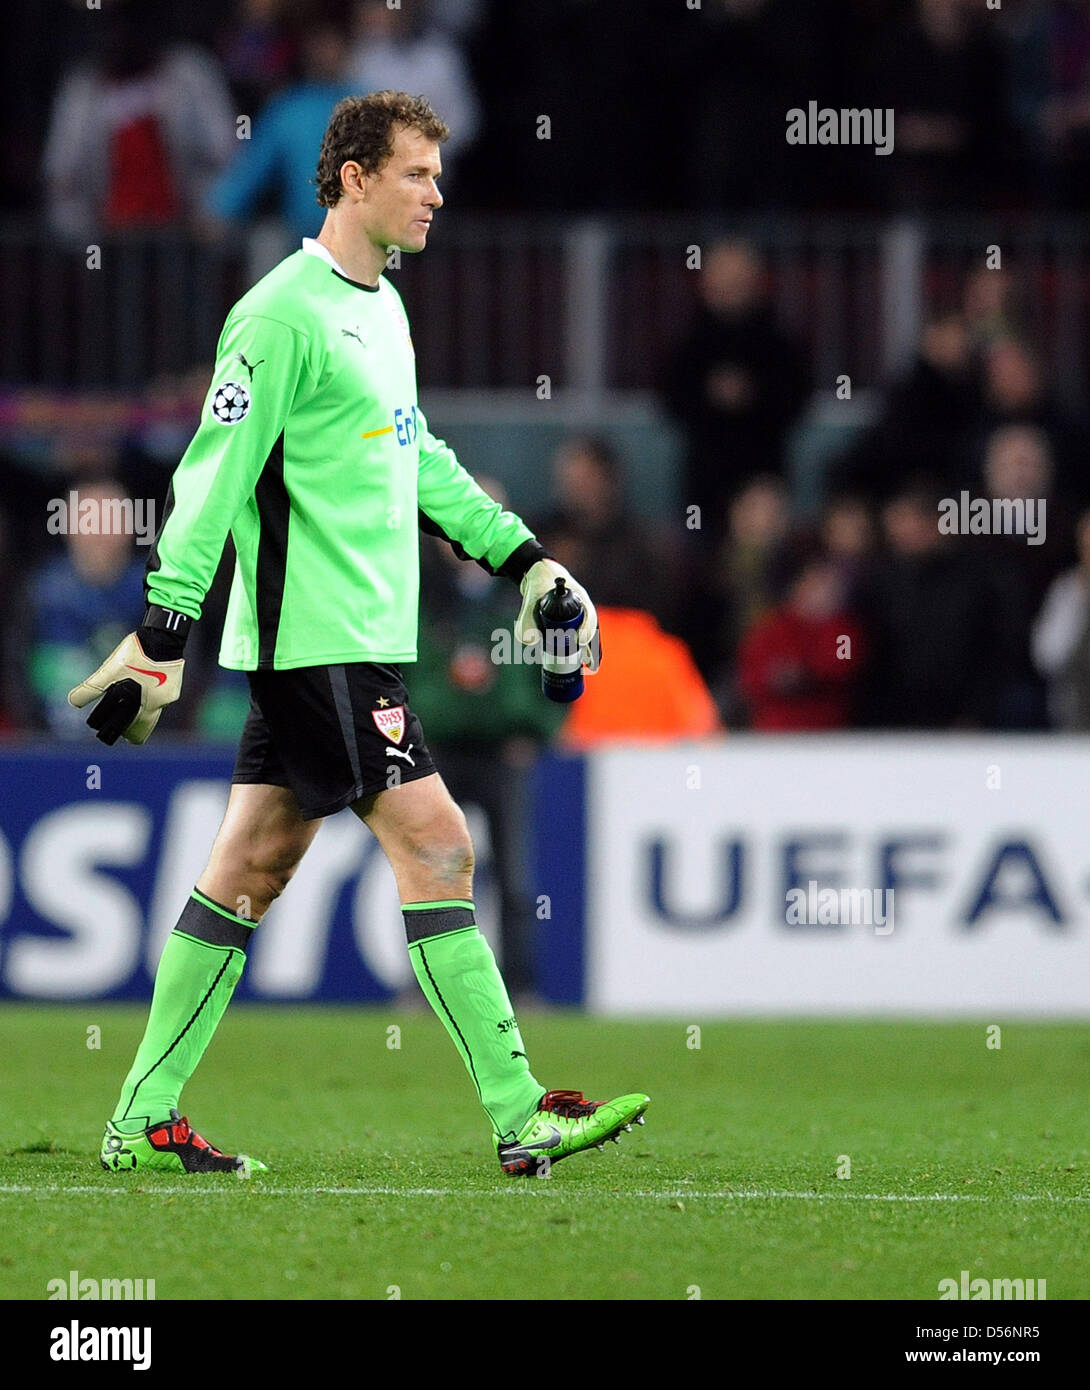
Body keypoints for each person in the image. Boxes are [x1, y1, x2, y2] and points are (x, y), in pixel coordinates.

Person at [70, 91, 648, 1179]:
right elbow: (212, 475)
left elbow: (417, 457)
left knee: (252, 863)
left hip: (357, 640)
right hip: (314, 639)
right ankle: (520, 1112)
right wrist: (161, 628)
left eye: (437, 173)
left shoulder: (379, 305)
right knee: (439, 846)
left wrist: (522, 557)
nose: (437, 192)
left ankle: (142, 1116)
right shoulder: (281, 314)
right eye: (418, 173)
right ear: (351, 178)